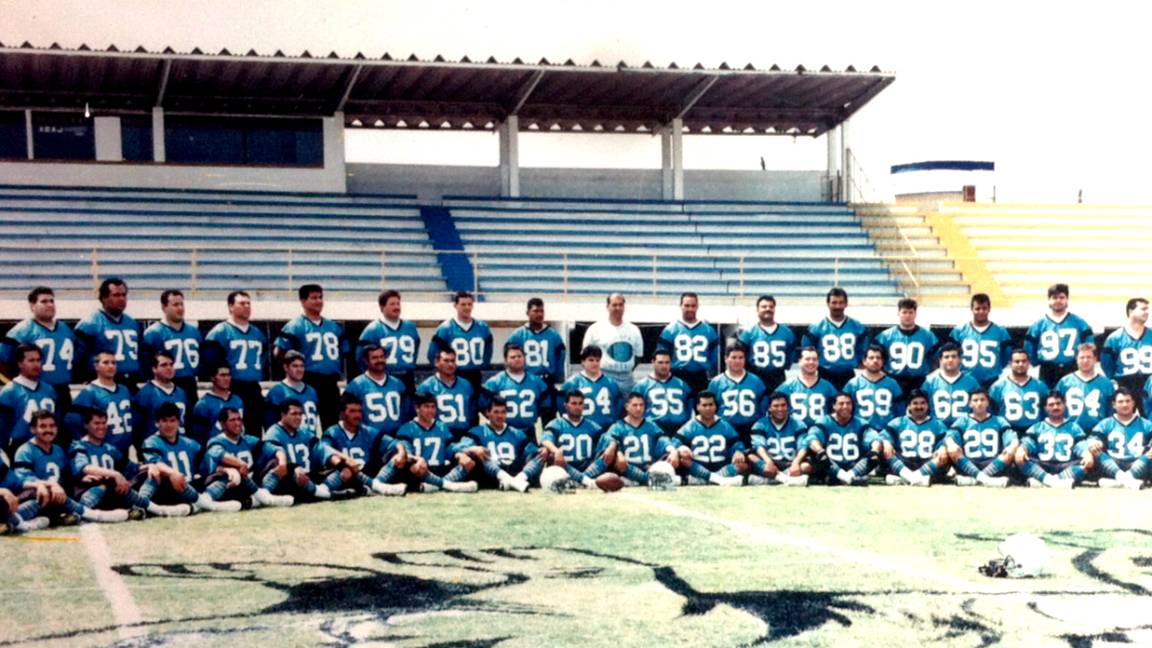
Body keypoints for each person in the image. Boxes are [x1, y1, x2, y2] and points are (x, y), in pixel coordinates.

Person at [14, 411, 128, 524]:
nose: (48, 430)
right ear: (33, 429)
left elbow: (66, 476)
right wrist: (48, 485)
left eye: (52, 426)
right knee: (46, 494)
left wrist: (81, 479)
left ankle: (48, 520)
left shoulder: (58, 450)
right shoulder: (25, 450)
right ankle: (93, 515)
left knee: (102, 485)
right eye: (43, 426)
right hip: (34, 496)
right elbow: (22, 480)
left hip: (58, 498)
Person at [71, 409, 191, 517]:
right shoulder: (78, 446)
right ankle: (78, 512)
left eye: (104, 423)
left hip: (112, 491)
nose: (101, 427)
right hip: (88, 490)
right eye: (97, 423)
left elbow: (132, 468)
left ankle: (143, 506)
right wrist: (115, 474)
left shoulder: (110, 449)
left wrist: (151, 466)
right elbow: (84, 467)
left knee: (150, 474)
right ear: (86, 425)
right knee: (105, 484)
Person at [139, 403, 242, 513]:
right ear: (157, 423)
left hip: (191, 487)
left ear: (179, 422)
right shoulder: (151, 442)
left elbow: (207, 465)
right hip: (170, 489)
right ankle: (140, 506)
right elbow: (156, 464)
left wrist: (226, 469)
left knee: (225, 475)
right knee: (153, 474)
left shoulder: (190, 443)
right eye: (164, 421)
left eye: (172, 420)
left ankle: (200, 503)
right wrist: (173, 473)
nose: (169, 425)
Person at [273, 284, 349, 429]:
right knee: (305, 423)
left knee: (332, 425)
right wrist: (294, 370)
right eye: (313, 298)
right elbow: (279, 352)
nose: (318, 301)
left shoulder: (334, 327)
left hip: (330, 380)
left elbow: (345, 353)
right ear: (303, 301)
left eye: (320, 297)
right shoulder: (295, 326)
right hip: (308, 378)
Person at [0, 286, 77, 414]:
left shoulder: (65, 329)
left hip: (63, 390)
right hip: (36, 390)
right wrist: (19, 385)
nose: (50, 305)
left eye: (52, 301)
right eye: (44, 301)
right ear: (32, 306)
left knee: (64, 425)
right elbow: (3, 361)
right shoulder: (21, 331)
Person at [203, 291, 267, 435]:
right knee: (231, 429)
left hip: (253, 387)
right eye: (242, 303)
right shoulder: (220, 332)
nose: (247, 306)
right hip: (232, 387)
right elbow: (210, 361)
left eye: (248, 303)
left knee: (254, 430)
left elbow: (263, 358)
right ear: (231, 306)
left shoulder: (257, 333)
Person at [201, 407, 294, 507]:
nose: (237, 423)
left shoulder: (248, 440)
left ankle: (263, 494)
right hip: (230, 484)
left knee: (276, 462)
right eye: (232, 420)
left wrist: (282, 464)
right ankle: (261, 499)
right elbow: (219, 454)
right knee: (233, 473)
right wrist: (240, 464)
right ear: (222, 424)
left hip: (251, 484)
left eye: (239, 419)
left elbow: (276, 449)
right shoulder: (216, 441)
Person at [318, 394, 405, 497]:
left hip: (367, 474)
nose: (357, 415)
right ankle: (377, 487)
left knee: (397, 457)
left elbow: (394, 443)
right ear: (342, 414)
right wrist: (345, 461)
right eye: (352, 411)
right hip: (344, 475)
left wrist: (401, 453)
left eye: (359, 411)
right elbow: (324, 450)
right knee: (346, 470)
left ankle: (373, 486)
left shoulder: (368, 431)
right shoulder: (332, 432)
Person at [393, 393, 479, 493]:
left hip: (439, 469)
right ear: (417, 408)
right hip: (420, 469)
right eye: (426, 406)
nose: (430, 410)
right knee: (412, 468)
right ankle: (447, 484)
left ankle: (436, 485)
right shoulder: (407, 428)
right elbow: (406, 452)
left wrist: (460, 455)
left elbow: (450, 448)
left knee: (469, 462)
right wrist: (417, 460)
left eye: (433, 407)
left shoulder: (442, 427)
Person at [505, 297, 567, 423]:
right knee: (526, 416)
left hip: (547, 380)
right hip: (527, 380)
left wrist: (557, 375)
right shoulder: (518, 334)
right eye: (535, 311)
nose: (539, 314)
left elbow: (561, 355)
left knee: (549, 418)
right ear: (528, 312)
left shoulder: (553, 334)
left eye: (541, 311)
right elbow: (508, 354)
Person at [258, 399, 333, 502]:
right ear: (283, 415)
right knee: (285, 469)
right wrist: (293, 468)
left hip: (308, 476)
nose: (298, 417)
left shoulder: (304, 432)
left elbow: (321, 449)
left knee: (340, 468)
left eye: (300, 414)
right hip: (287, 479)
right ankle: (321, 493)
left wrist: (338, 459)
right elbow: (275, 460)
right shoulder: (274, 433)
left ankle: (321, 490)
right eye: (294, 414)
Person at [140, 289, 202, 412]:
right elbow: (146, 366)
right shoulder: (154, 333)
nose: (180, 308)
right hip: (166, 384)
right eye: (175, 305)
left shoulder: (194, 331)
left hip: (190, 383)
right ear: (164, 307)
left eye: (181, 304)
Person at [457, 397, 536, 492]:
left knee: (540, 455)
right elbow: (459, 448)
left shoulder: (517, 433)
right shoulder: (477, 432)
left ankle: (516, 480)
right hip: (489, 474)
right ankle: (512, 481)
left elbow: (532, 452)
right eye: (496, 412)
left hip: (513, 470)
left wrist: (539, 452)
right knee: (479, 455)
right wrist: (473, 449)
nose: (500, 416)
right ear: (487, 413)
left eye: (503, 412)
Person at [539, 390, 614, 489]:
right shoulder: (557, 423)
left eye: (580, 403)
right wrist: (556, 451)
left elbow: (609, 439)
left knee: (608, 451)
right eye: (574, 403)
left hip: (587, 469)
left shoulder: (591, 425)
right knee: (546, 452)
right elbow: (545, 440)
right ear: (566, 405)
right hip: (564, 468)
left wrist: (611, 447)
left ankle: (581, 480)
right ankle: (586, 482)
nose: (577, 407)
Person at [670, 391, 748, 486]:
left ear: (715, 406)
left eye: (711, 405)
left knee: (742, 465)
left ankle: (705, 480)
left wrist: (738, 451)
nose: (708, 408)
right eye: (704, 405)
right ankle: (719, 480)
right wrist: (681, 448)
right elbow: (674, 444)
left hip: (720, 467)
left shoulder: (725, 425)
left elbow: (737, 443)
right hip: (697, 468)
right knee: (683, 459)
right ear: (698, 407)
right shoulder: (689, 426)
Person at [1025, 283, 1095, 389]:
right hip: (1048, 369)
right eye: (1054, 297)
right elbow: (1029, 347)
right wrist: (1035, 361)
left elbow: (1089, 345)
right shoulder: (1039, 324)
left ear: (1067, 300)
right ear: (1049, 300)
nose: (1058, 301)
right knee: (1048, 397)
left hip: (1071, 367)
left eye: (1062, 297)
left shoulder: (1079, 323)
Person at [74, 278, 141, 387]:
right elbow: (79, 360)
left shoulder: (132, 323)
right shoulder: (90, 324)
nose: (121, 299)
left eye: (124, 295)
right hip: (103, 383)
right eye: (116, 295)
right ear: (104, 298)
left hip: (130, 382)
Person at [1015, 391, 1088, 488]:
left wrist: (1086, 454)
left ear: (1064, 405)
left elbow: (1081, 446)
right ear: (1045, 408)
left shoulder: (1074, 427)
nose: (1055, 407)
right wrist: (1022, 449)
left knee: (1087, 462)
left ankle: (1044, 481)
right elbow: (1027, 443)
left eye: (1058, 403)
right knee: (1021, 459)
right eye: (1051, 405)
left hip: (1066, 466)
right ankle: (1058, 482)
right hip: (1043, 465)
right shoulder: (1037, 427)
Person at [877, 390, 950, 486]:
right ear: (909, 406)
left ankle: (907, 478)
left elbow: (947, 441)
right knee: (883, 448)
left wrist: (943, 447)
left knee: (945, 453)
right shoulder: (898, 422)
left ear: (928, 405)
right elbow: (881, 437)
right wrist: (886, 442)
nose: (919, 407)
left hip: (927, 462)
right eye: (915, 403)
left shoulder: (938, 424)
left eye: (923, 403)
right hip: (904, 462)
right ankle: (916, 479)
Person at [799, 393, 874, 486]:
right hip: (829, 463)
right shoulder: (824, 421)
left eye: (848, 403)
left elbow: (874, 439)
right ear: (834, 406)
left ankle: (843, 478)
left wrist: (875, 449)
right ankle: (847, 479)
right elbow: (812, 438)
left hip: (853, 465)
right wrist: (819, 450)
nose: (845, 406)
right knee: (808, 464)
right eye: (841, 403)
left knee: (875, 455)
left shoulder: (861, 423)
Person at [426, 291, 492, 396]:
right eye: (463, 304)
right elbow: (433, 354)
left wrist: (484, 365)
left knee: (474, 403)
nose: (467, 307)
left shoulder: (482, 327)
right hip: (454, 374)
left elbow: (488, 349)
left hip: (475, 374)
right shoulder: (445, 328)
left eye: (469, 304)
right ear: (455, 306)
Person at [358, 289, 421, 399]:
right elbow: (361, 358)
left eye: (398, 303)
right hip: (386, 377)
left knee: (409, 407)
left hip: (408, 377)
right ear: (382, 307)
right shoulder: (372, 330)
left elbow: (415, 350)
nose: (396, 307)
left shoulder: (410, 327)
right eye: (392, 304)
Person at [801, 287, 868, 390]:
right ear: (828, 304)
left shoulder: (857, 327)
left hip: (848, 373)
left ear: (846, 304)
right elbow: (807, 350)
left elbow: (864, 349)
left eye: (841, 302)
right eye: (834, 302)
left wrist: (859, 361)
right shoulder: (816, 328)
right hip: (824, 373)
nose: (838, 306)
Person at [945, 389, 1015, 487]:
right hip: (969, 464)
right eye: (975, 400)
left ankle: (975, 480)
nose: (979, 403)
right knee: (952, 447)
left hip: (992, 463)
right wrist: (951, 444)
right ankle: (986, 480)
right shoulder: (963, 420)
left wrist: (1012, 446)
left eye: (982, 400)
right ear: (970, 404)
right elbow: (949, 437)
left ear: (988, 402)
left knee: (1011, 450)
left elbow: (1013, 439)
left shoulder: (999, 420)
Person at [68, 352, 134, 455]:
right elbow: (73, 420)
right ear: (96, 366)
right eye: (106, 363)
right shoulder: (90, 391)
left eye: (113, 363)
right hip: (104, 449)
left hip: (125, 447)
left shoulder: (124, 389)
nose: (111, 366)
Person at [604, 393, 675, 487]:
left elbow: (663, 440)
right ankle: (654, 480)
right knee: (613, 456)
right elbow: (610, 440)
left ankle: (643, 480)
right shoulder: (618, 426)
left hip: (649, 467)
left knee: (669, 458)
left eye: (641, 405)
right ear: (627, 407)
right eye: (635, 405)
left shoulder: (651, 425)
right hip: (627, 468)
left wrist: (672, 451)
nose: (638, 408)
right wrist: (618, 453)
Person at [1086, 389, 1151, 490]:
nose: (1125, 405)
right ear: (1114, 405)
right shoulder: (1105, 423)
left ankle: (1119, 481)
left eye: (1128, 401)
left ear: (1133, 403)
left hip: (1138, 462)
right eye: (1120, 402)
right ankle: (1127, 480)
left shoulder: (1146, 424)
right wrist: (1096, 443)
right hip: (1113, 463)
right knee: (1095, 451)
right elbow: (1092, 439)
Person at [657, 292, 720, 396]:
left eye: (693, 306)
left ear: (697, 306)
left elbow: (714, 358)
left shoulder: (709, 330)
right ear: (680, 306)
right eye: (686, 305)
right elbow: (662, 357)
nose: (690, 309)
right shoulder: (670, 330)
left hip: (700, 376)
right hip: (677, 375)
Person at [0, 344, 57, 455]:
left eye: (38, 360)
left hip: (47, 446)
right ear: (20, 364)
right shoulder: (10, 391)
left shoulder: (49, 390)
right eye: (31, 360)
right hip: (19, 447)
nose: (36, 364)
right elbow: (2, 426)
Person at [480, 344, 551, 434]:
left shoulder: (537, 382)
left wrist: (533, 416)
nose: (517, 359)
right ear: (506, 360)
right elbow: (483, 405)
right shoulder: (495, 382)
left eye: (519, 356)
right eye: (513, 357)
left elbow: (545, 407)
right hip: (504, 431)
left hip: (528, 430)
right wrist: (496, 420)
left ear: (524, 358)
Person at [874, 298, 939, 394]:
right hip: (893, 379)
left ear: (915, 313)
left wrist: (926, 370)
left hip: (918, 380)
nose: (907, 316)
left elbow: (937, 358)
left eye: (910, 312)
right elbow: (877, 357)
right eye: (904, 312)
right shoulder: (886, 336)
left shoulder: (928, 336)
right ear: (898, 313)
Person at [581, 292, 643, 392]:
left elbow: (638, 357)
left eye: (620, 305)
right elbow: (585, 356)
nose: (618, 308)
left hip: (627, 379)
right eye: (614, 305)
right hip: (604, 378)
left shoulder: (634, 330)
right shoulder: (595, 329)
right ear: (607, 307)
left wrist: (623, 367)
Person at [949, 293, 1013, 388]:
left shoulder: (1001, 331)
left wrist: (994, 370)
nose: (981, 312)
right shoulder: (959, 331)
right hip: (965, 380)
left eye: (984, 308)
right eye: (977, 309)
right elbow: (951, 356)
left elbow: (1006, 356)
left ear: (989, 309)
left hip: (991, 381)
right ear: (971, 309)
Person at [707, 343, 767, 443]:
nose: (737, 361)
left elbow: (763, 407)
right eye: (734, 357)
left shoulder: (756, 381)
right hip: (726, 428)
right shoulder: (716, 383)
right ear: (726, 359)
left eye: (741, 357)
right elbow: (711, 408)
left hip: (750, 427)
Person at [737, 294, 798, 394]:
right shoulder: (749, 332)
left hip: (778, 377)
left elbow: (791, 356)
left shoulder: (787, 332)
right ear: (757, 310)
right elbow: (741, 356)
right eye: (764, 306)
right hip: (755, 377)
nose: (768, 309)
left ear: (775, 309)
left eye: (771, 306)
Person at [747, 393, 811, 486]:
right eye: (776, 406)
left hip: (790, 463)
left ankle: (767, 481)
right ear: (769, 408)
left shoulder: (798, 424)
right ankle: (788, 479)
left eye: (783, 405)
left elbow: (803, 446)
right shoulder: (760, 424)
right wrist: (768, 462)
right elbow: (759, 446)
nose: (780, 409)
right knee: (751, 456)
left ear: (788, 407)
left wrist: (796, 463)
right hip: (770, 462)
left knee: (806, 466)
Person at [343, 345, 407, 438]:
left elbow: (406, 412)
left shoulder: (398, 384)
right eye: (374, 358)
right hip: (368, 438)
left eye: (382, 357)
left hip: (395, 437)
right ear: (366, 361)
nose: (379, 360)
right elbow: (347, 415)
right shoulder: (356, 385)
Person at [132, 351, 189, 449]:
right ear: (154, 369)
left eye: (171, 364)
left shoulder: (181, 392)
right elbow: (137, 428)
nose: (169, 368)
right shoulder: (145, 394)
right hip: (155, 448)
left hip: (180, 447)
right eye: (164, 365)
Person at [416, 348, 476, 439]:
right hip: (438, 435)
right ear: (437, 362)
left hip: (463, 435)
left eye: (453, 361)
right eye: (446, 361)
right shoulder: (426, 386)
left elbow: (472, 413)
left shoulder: (466, 385)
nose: (450, 364)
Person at [842, 344, 904, 431]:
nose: (875, 361)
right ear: (864, 361)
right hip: (861, 430)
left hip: (886, 430)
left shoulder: (892, 384)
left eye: (878, 358)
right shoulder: (853, 384)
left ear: (883, 361)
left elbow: (900, 410)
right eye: (871, 358)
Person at [1055, 343, 1114, 432]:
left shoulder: (1106, 384)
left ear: (1095, 359)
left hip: (1098, 431)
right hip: (1070, 431)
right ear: (1076, 359)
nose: (1085, 360)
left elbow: (1111, 412)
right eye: (1082, 357)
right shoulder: (1064, 382)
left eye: (1089, 357)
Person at [561, 346, 622, 430]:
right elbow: (563, 407)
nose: (595, 363)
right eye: (591, 360)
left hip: (607, 429)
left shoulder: (611, 383)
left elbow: (618, 407)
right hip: (582, 429)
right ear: (583, 362)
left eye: (597, 360)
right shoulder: (572, 383)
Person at [633, 349, 693, 435]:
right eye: (660, 362)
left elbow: (689, 409)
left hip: (679, 429)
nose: (664, 366)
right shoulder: (641, 386)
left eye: (667, 362)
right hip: (654, 430)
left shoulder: (682, 385)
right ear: (653, 362)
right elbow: (636, 412)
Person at [1101, 298, 1152, 398]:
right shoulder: (1115, 338)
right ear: (1131, 311)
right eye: (1143, 309)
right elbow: (1107, 364)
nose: (1147, 312)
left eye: (1147, 309)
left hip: (1149, 386)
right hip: (1125, 386)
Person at [921, 342, 982, 426]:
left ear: (960, 360)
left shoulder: (971, 382)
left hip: (964, 428)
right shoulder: (930, 382)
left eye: (954, 356)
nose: (950, 360)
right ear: (940, 360)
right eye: (946, 357)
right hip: (937, 427)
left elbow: (979, 407)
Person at [776, 347, 839, 428]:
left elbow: (837, 410)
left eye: (814, 359)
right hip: (795, 430)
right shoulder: (787, 386)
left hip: (820, 429)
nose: (811, 362)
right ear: (799, 361)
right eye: (807, 359)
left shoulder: (828, 387)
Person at [989, 349, 1048, 434]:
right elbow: (991, 412)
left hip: (1034, 430)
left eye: (1024, 361)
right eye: (1017, 361)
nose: (1020, 364)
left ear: (1029, 363)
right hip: (1008, 430)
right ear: (1010, 363)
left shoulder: (1040, 386)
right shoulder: (998, 387)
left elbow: (1046, 411)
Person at [264, 350, 322, 435]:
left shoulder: (312, 391)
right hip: (288, 440)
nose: (299, 369)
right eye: (295, 366)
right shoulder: (277, 391)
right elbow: (270, 426)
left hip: (310, 439)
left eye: (302, 366)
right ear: (286, 368)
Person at [189, 364, 245, 445]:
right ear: (213, 378)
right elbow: (199, 435)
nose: (226, 378)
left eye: (228, 375)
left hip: (238, 446)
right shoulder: (203, 404)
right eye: (222, 375)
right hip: (216, 446)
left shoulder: (238, 400)